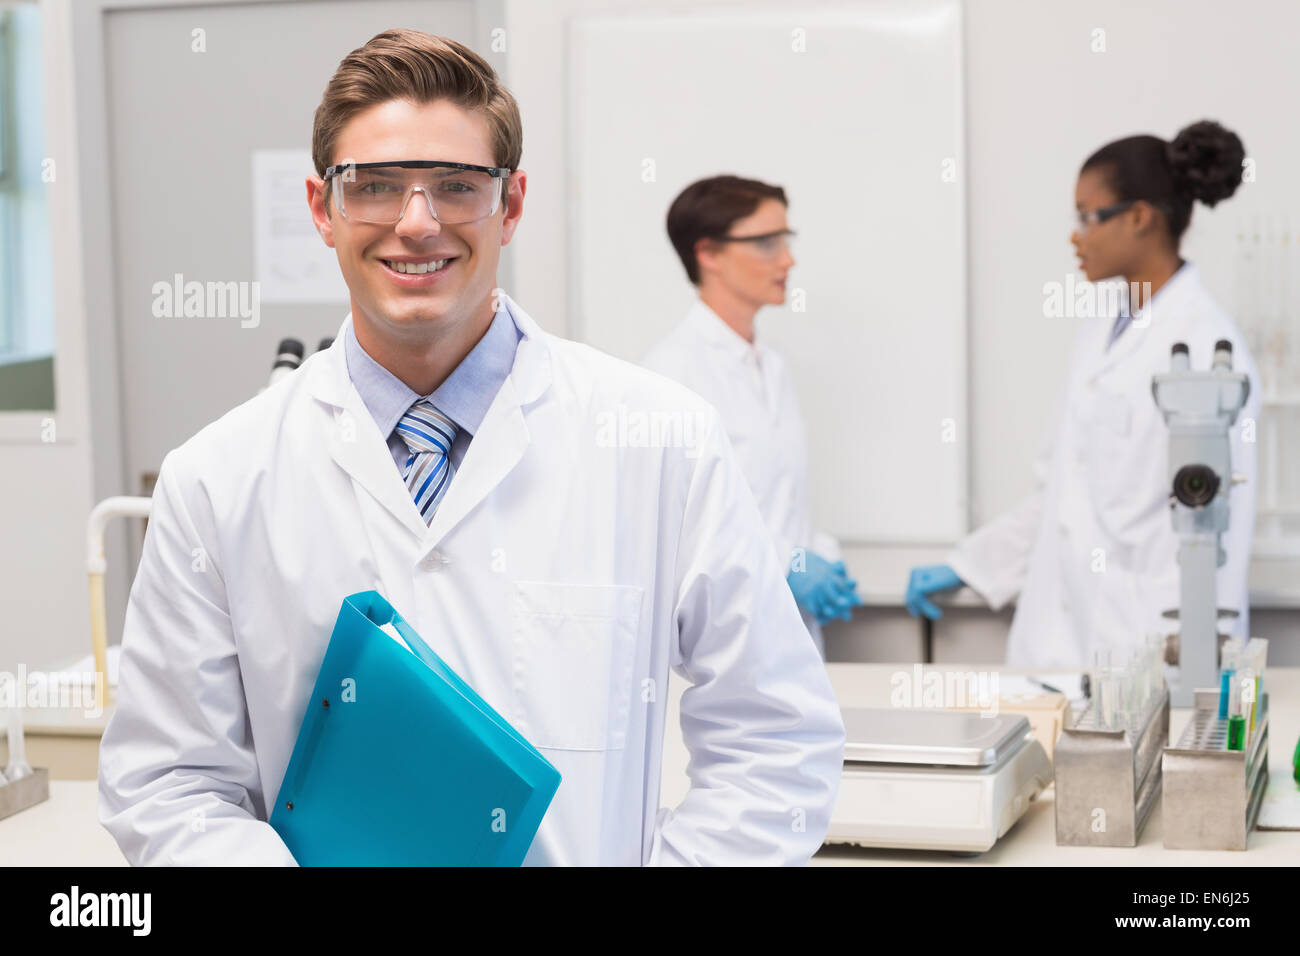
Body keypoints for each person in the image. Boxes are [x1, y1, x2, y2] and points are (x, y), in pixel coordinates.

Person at [97, 29, 845, 866]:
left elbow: (776, 737)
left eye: (456, 186)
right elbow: (168, 785)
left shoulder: (661, 440)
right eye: (374, 186)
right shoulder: (218, 479)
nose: (417, 224)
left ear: (511, 205)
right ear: (323, 209)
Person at [906, 120, 1259, 669]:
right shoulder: (1104, 326)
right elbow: (1063, 489)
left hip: (1143, 661)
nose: (1076, 234)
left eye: (1087, 216)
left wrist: (1191, 676)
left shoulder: (1208, 350)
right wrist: (973, 563)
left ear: (1140, 217)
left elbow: (1215, 534)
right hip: (1058, 649)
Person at [643, 176, 861, 659]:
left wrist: (817, 556)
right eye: (766, 243)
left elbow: (780, 501)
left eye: (786, 240)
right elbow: (680, 525)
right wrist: (787, 562)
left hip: (790, 633)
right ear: (709, 254)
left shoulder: (771, 367)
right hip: (722, 639)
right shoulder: (670, 375)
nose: (787, 260)